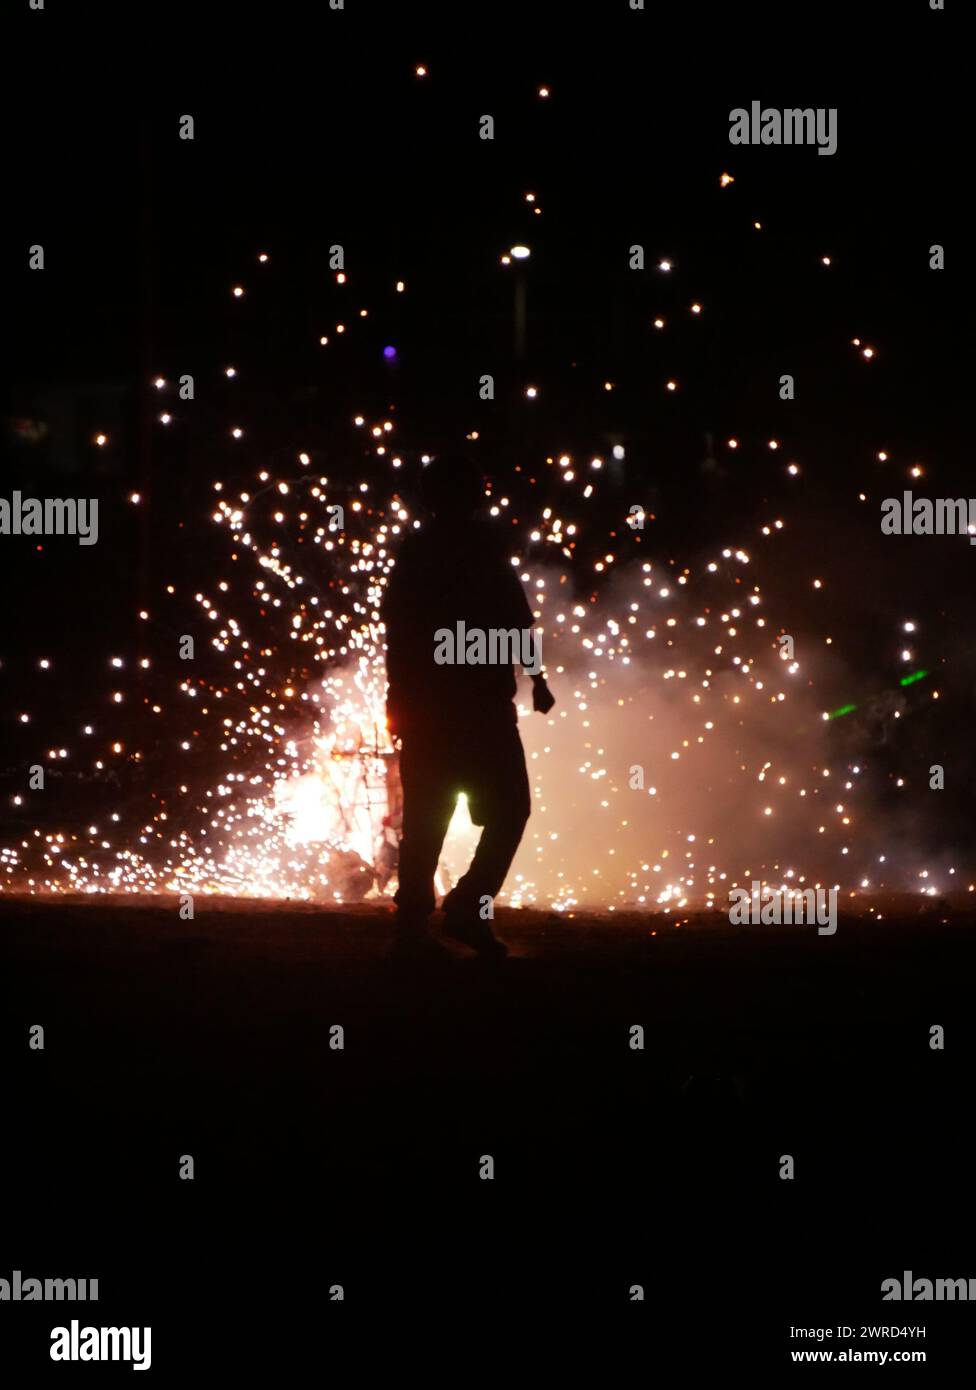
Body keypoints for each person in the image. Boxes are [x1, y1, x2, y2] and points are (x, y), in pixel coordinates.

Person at [381, 452, 555, 957]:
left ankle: (420, 926)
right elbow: (517, 622)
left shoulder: (418, 554)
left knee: (430, 819)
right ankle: (459, 913)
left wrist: (400, 701)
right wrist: (537, 679)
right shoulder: (482, 552)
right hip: (474, 709)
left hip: (441, 709)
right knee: (505, 810)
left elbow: (400, 634)